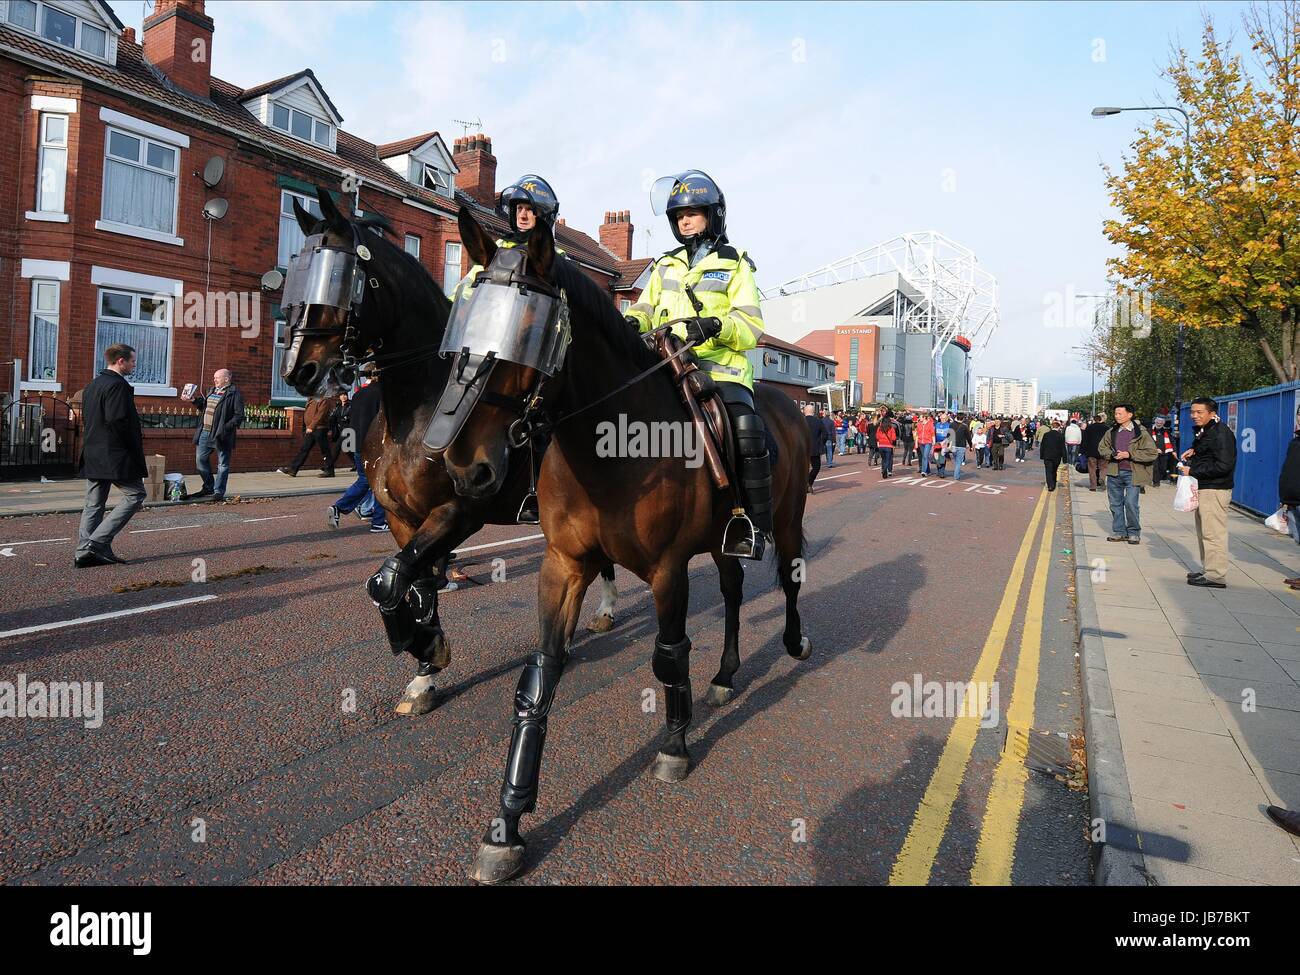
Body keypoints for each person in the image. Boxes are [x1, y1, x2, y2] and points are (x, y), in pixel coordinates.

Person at [624, 169, 770, 558]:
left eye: (693, 212)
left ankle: (748, 521)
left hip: (720, 369)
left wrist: (716, 325)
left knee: (745, 429)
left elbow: (751, 324)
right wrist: (631, 321)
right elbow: (645, 307)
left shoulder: (736, 263)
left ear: (713, 214)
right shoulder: (665, 264)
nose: (684, 221)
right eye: (678, 216)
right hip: (666, 364)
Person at [74, 343, 147, 567]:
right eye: (133, 361)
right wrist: (130, 448)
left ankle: (83, 552)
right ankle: (95, 543)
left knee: (94, 504)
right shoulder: (117, 385)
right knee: (135, 495)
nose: (135, 365)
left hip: (93, 451)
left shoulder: (93, 385)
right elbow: (117, 421)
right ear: (121, 361)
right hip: (115, 454)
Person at [1179, 397, 1237, 588]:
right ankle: (1209, 569)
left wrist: (1193, 471)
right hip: (1205, 487)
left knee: (1214, 534)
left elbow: (1224, 465)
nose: (1194, 416)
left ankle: (1216, 575)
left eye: (1199, 412)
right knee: (1205, 532)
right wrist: (1193, 450)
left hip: (1215, 489)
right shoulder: (1209, 431)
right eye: (1193, 412)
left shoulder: (1222, 433)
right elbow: (1208, 453)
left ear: (1212, 413)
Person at [328, 368, 389, 533]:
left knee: (364, 480)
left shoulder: (357, 394)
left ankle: (338, 507)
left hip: (356, 443)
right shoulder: (382, 393)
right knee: (380, 482)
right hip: (375, 445)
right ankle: (378, 522)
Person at [1097, 403, 1158, 545]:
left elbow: (1151, 453)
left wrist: (1129, 454)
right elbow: (1102, 448)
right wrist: (1111, 455)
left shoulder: (1141, 432)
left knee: (1131, 503)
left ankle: (1134, 532)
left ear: (1129, 415)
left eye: (1120, 413)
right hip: (1114, 472)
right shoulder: (1111, 431)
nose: (1117, 416)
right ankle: (1119, 532)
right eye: (1116, 414)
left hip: (1132, 473)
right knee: (1115, 504)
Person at [188, 368, 244, 501]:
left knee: (223, 464)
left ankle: (218, 491)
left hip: (222, 434)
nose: (214, 380)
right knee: (200, 460)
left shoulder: (234, 394)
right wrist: (193, 400)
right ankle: (208, 486)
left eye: (217, 378)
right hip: (205, 432)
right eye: (214, 378)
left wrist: (224, 428)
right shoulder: (211, 390)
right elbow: (205, 407)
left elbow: (239, 416)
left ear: (226, 379)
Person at [279, 392, 342, 478]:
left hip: (320, 428)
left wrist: (311, 426)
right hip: (312, 428)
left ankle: (329, 470)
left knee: (325, 450)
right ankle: (293, 469)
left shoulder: (324, 400)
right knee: (304, 449)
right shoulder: (312, 399)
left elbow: (320, 415)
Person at [1081, 413, 1108, 492]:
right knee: (1103, 467)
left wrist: (1082, 451)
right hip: (1103, 451)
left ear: (1094, 420)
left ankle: (1093, 486)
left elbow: (1084, 440)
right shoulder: (1107, 428)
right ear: (1101, 419)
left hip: (1091, 451)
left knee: (1092, 469)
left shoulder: (1089, 428)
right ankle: (1102, 478)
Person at [805, 403, 828, 491]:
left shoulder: (800, 421)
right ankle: (809, 482)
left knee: (801, 467)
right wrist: (821, 443)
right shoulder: (818, 421)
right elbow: (825, 434)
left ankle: (803, 484)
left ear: (804, 411)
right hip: (815, 448)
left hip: (802, 448)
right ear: (814, 412)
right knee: (816, 466)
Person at [1150, 416, 1176, 487]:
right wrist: (1155, 449)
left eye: (1160, 423)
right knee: (1155, 468)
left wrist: (1174, 450)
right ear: (1155, 422)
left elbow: (1172, 441)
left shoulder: (1166, 431)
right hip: (1154, 452)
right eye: (1157, 422)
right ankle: (1156, 482)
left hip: (1165, 453)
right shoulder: (1150, 431)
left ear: (1163, 423)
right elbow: (1148, 442)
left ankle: (1159, 478)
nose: (1159, 424)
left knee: (1163, 468)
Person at [1040, 419, 1066, 492]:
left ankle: (1050, 486)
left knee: (1048, 471)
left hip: (1047, 456)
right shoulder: (1061, 436)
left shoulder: (1046, 435)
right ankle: (1053, 483)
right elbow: (1063, 448)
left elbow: (1042, 446)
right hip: (1057, 456)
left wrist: (1042, 455)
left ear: (1052, 427)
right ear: (1058, 428)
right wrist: (1065, 459)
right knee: (1054, 470)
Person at [875, 409, 897, 479]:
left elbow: (877, 436)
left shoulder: (880, 428)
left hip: (881, 445)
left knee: (883, 459)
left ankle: (883, 469)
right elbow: (894, 438)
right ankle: (885, 470)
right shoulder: (891, 428)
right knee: (888, 459)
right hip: (888, 445)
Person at [950, 412, 971, 480]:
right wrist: (970, 446)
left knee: (956, 461)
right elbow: (968, 437)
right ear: (963, 418)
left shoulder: (951, 425)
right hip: (961, 446)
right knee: (958, 462)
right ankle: (956, 476)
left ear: (956, 417)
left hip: (953, 446)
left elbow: (949, 435)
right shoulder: (965, 426)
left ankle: (957, 473)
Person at [915, 410, 935, 476]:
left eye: (920, 417)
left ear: (924, 417)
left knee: (925, 456)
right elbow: (917, 434)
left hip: (928, 442)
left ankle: (924, 471)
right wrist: (916, 443)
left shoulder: (930, 424)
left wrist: (934, 442)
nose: (919, 418)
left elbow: (932, 434)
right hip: (921, 442)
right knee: (924, 457)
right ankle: (928, 470)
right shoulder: (918, 424)